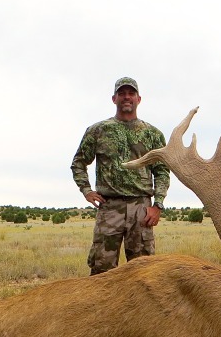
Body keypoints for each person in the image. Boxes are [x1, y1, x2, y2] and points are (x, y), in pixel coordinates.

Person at [71, 77, 171, 275]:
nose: (127, 97)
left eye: (131, 93)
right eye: (122, 93)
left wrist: (158, 205)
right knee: (101, 270)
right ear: (114, 98)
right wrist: (86, 190)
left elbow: (162, 171)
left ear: (138, 99)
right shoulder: (98, 131)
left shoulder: (153, 134)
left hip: (141, 209)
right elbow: (79, 163)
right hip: (109, 207)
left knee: (144, 272)